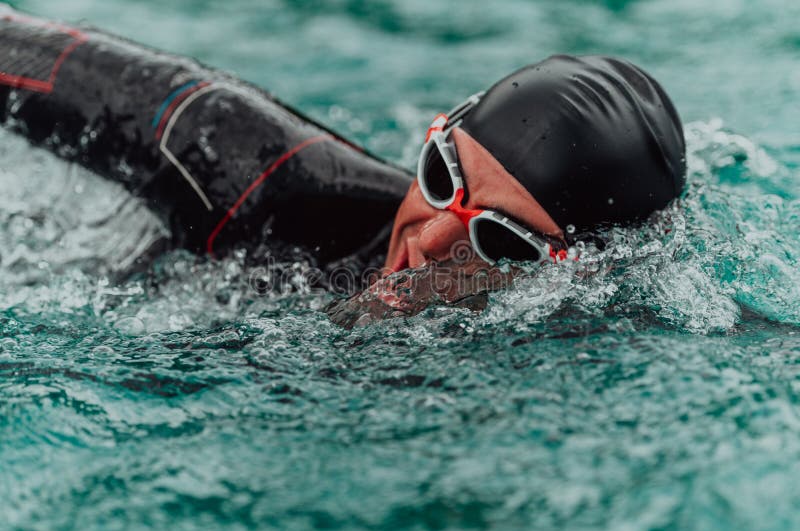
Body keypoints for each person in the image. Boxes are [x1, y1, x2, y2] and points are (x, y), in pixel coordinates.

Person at [0, 7, 685, 322]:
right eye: (441, 176)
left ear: (584, 271)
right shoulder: (256, 177)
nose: (429, 239)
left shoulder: (618, 338)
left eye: (500, 239)